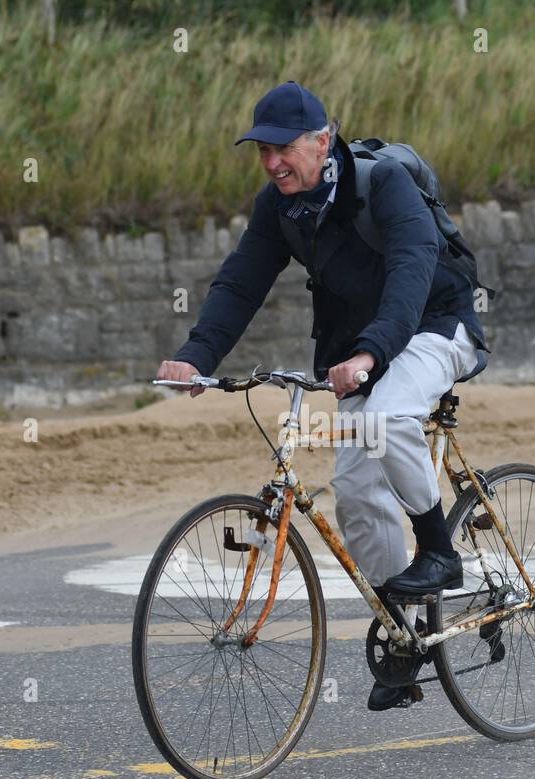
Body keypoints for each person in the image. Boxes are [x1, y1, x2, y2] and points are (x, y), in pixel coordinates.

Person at [156, 81, 490, 710]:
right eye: (262, 151)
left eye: (283, 148)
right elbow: (241, 281)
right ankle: (406, 637)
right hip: (364, 350)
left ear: (321, 139)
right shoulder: (279, 206)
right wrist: (197, 358)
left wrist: (370, 352)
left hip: (435, 326)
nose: (272, 162)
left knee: (390, 417)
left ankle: (440, 552)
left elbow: (414, 269)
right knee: (360, 495)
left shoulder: (383, 183)